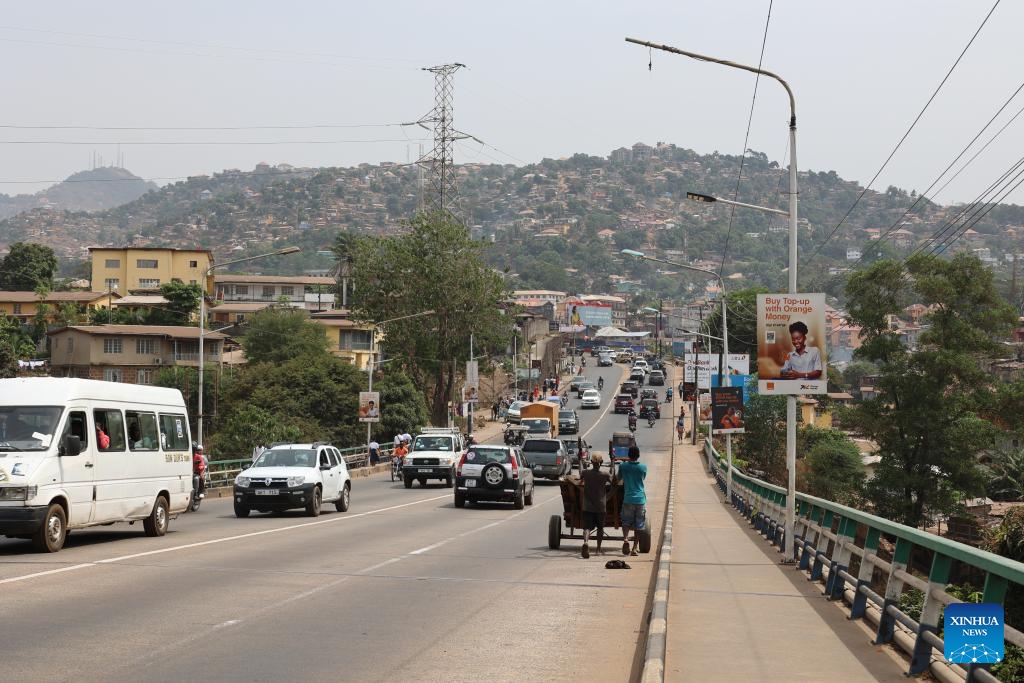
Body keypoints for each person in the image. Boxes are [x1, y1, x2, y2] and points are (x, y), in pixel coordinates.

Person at [580, 453, 611, 558]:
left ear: (592, 463)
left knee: (587, 527)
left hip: (587, 506)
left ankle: (586, 542)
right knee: (600, 528)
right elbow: (613, 483)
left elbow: (580, 478)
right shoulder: (605, 475)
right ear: (601, 463)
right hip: (600, 506)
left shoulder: (585, 473)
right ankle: (598, 549)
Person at [618, 445, 647, 556]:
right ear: (638, 455)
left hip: (628, 499)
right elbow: (642, 479)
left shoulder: (623, 466)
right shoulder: (643, 467)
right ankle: (634, 548)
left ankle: (625, 539)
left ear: (628, 455)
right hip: (640, 499)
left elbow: (618, 478)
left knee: (625, 522)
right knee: (639, 525)